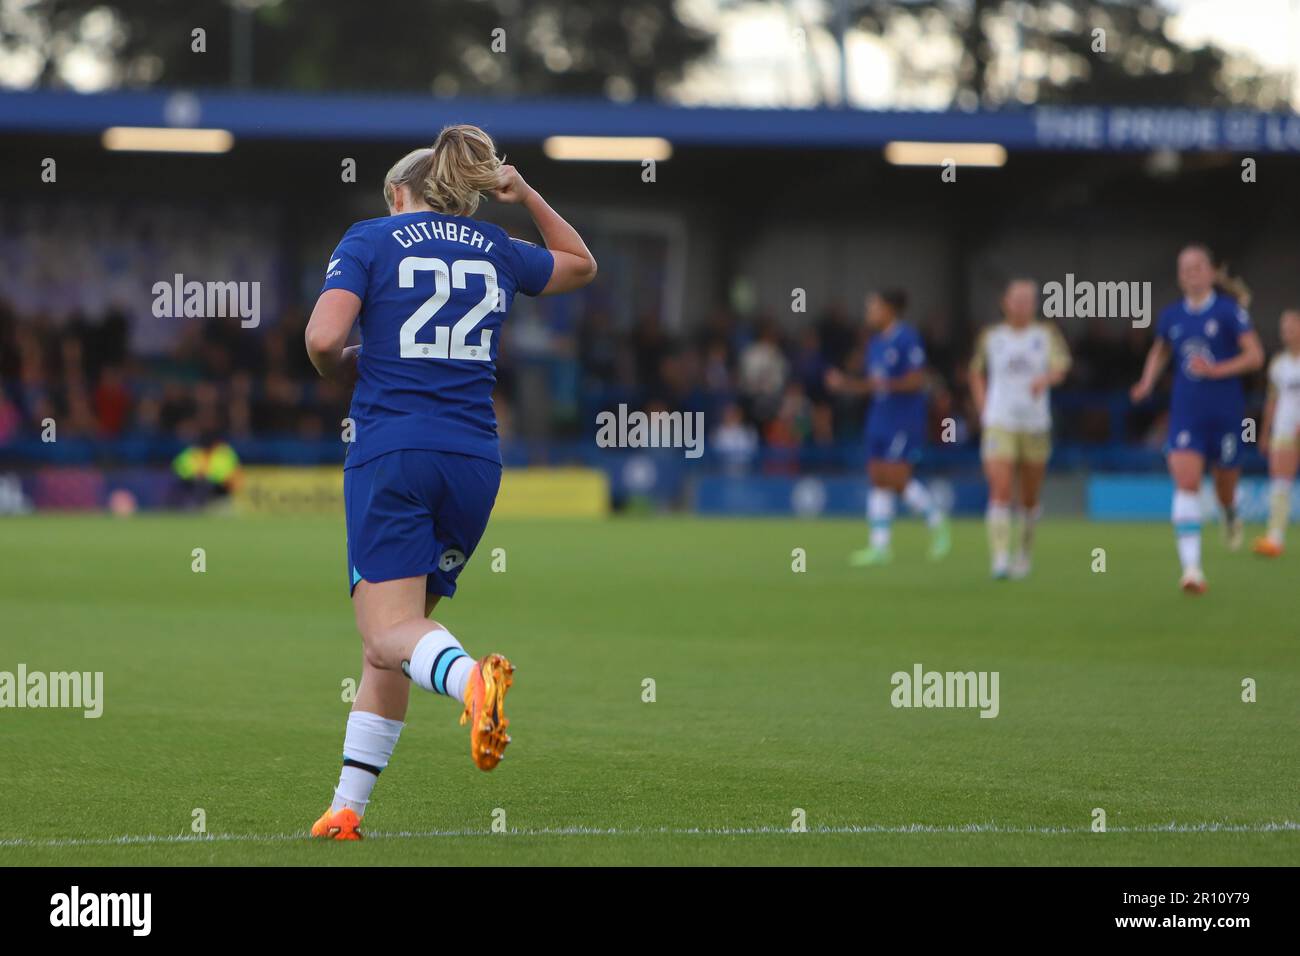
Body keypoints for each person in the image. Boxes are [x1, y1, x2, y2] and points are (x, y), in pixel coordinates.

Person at [303, 125, 597, 840]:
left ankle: (473, 682)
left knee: (392, 630)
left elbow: (318, 338)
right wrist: (523, 191)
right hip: (473, 460)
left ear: (402, 191)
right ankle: (347, 809)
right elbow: (580, 265)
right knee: (393, 639)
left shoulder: (370, 238)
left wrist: (338, 358)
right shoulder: (495, 246)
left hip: (393, 451)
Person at [1130, 245, 1264, 593]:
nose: (1190, 273)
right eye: (1184, 268)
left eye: (1197, 267)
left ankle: (1230, 513)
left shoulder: (1228, 311)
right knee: (1186, 483)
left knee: (1224, 487)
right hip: (1186, 412)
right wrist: (1146, 382)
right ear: (1179, 276)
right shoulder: (1172, 316)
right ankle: (1192, 569)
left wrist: (1217, 368)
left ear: (1209, 272)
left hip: (1226, 412)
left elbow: (1255, 356)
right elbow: (1160, 351)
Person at [826, 289, 949, 565]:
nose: (868, 312)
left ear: (889, 310)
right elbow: (873, 384)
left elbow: (918, 381)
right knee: (877, 476)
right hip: (879, 416)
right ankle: (880, 547)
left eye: (873, 307)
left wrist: (883, 385)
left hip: (903, 417)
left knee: (896, 477)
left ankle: (937, 521)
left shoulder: (907, 338)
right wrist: (845, 384)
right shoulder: (874, 344)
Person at [969, 279, 1071, 579]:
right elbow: (975, 372)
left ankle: (1023, 554)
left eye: (1028, 300)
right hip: (1000, 422)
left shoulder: (1046, 334)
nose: (1023, 305)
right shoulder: (991, 337)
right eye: (1017, 299)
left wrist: (1046, 379)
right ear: (1005, 302)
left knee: (1029, 496)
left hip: (1035, 423)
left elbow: (1061, 367)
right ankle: (999, 558)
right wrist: (983, 407)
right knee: (999, 488)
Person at [1253, 309, 1300, 556]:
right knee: (1280, 482)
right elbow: (1272, 401)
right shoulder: (1279, 364)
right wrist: (1264, 432)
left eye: (1292, 327)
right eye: (1284, 329)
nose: (1287, 333)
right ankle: (1275, 537)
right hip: (1284, 428)